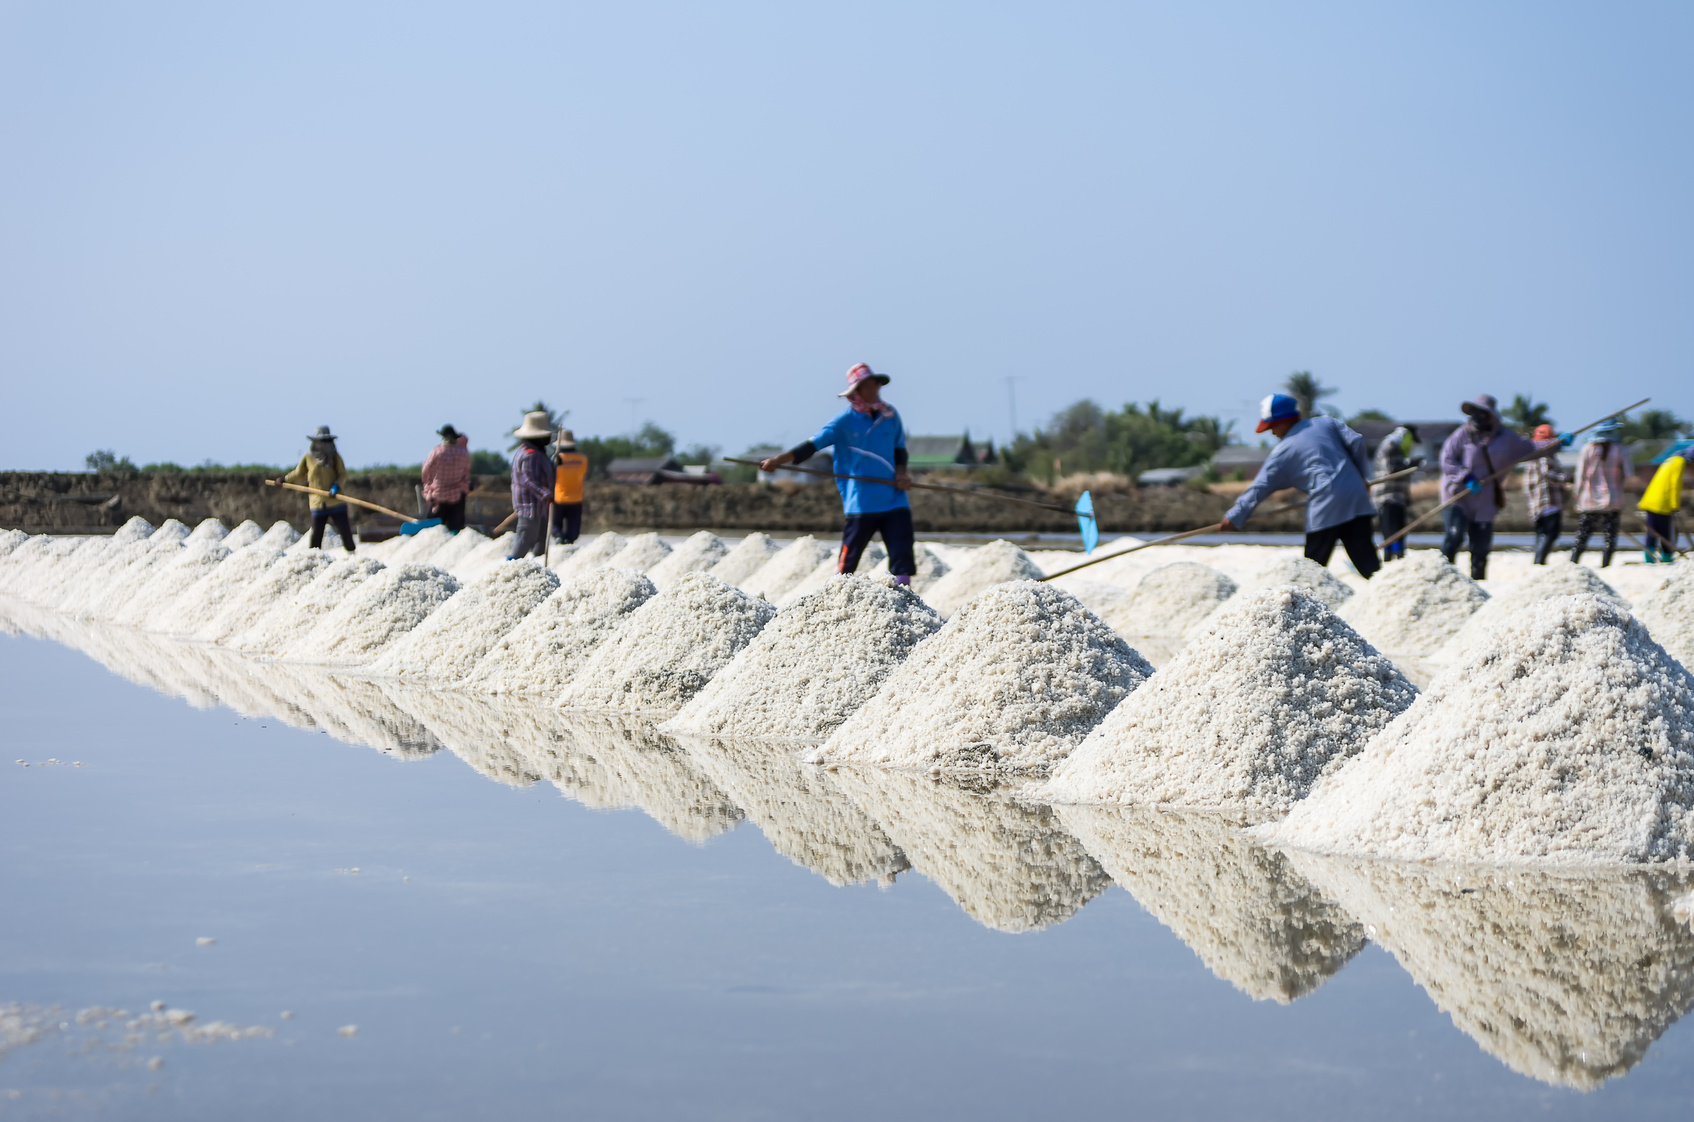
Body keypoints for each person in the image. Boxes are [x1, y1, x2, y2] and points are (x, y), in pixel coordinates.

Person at [758, 363, 916, 582]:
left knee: (902, 556)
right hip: (860, 500)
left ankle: (905, 596)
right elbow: (812, 446)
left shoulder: (889, 416)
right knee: (849, 561)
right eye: (868, 387)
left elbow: (900, 450)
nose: (874, 391)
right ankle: (837, 595)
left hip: (894, 498)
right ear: (856, 392)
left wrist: (901, 475)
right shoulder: (844, 422)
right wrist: (777, 460)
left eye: (876, 386)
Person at [1223, 393, 1380, 579]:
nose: (1273, 433)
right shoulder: (1326, 423)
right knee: (1369, 565)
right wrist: (1362, 478)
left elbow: (1260, 487)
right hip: (1357, 497)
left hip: (1326, 505)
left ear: (1284, 421)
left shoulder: (1282, 452)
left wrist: (1233, 517)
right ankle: (1386, 592)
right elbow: (1356, 441)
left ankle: (1306, 603)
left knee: (1311, 569)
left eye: (1272, 427)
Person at [1440, 394, 1566, 580]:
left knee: (1480, 546)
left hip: (1485, 499)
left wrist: (1557, 443)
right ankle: (1444, 577)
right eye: (1475, 413)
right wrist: (1466, 477)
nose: (1477, 418)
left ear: (1491, 416)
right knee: (1454, 537)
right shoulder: (1462, 435)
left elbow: (1531, 448)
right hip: (1458, 495)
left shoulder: (1506, 438)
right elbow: (1447, 459)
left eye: (1483, 414)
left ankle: (1478, 581)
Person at [276, 425, 355, 552]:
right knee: (316, 534)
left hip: (335, 501)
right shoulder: (308, 457)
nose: (324, 444)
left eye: (326, 441)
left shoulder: (334, 457)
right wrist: (284, 479)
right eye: (321, 441)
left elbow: (342, 474)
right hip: (318, 502)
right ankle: (314, 557)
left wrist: (336, 486)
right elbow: (298, 473)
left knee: (345, 531)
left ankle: (352, 554)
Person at [1570, 420, 1633, 567]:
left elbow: (1580, 476)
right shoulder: (1620, 449)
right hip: (1612, 499)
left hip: (1589, 499)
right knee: (1610, 535)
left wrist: (1576, 496)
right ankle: (1605, 564)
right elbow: (1629, 473)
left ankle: (1574, 562)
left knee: (1583, 533)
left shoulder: (1587, 449)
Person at [507, 411, 556, 560]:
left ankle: (536, 570)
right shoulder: (530, 455)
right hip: (530, 507)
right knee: (524, 541)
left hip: (538, 508)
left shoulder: (536, 453)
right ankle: (509, 569)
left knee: (540, 543)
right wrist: (545, 493)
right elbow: (529, 480)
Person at [1372, 425, 1421, 562]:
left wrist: (1406, 496)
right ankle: (1393, 557)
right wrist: (1411, 464)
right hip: (1387, 496)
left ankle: (1397, 556)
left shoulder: (1397, 448)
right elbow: (1393, 470)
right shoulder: (1391, 446)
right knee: (1392, 530)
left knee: (1398, 530)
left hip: (1398, 496)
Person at [1522, 423, 1570, 565]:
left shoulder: (1533, 456)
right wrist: (1566, 479)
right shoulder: (1544, 456)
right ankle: (1539, 560)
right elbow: (1548, 474)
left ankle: (1538, 559)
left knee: (1541, 532)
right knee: (1551, 532)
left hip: (1537, 503)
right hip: (1548, 500)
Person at [1637, 440, 1688, 564]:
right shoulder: (1680, 462)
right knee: (1666, 533)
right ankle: (1667, 558)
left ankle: (1649, 558)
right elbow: (1675, 485)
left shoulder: (1669, 460)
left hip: (1650, 501)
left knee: (1652, 531)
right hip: (1662, 503)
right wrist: (1675, 505)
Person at [421, 424, 471, 533]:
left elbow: (425, 471)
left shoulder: (436, 452)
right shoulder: (463, 454)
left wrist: (428, 486)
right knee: (455, 530)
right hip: (456, 496)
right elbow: (466, 473)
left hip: (438, 496)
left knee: (433, 531)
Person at [552, 429, 589, 545]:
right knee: (573, 525)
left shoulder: (557, 459)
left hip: (560, 497)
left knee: (556, 524)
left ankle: (559, 537)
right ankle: (570, 541)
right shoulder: (582, 459)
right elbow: (583, 475)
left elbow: (551, 475)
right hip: (576, 497)